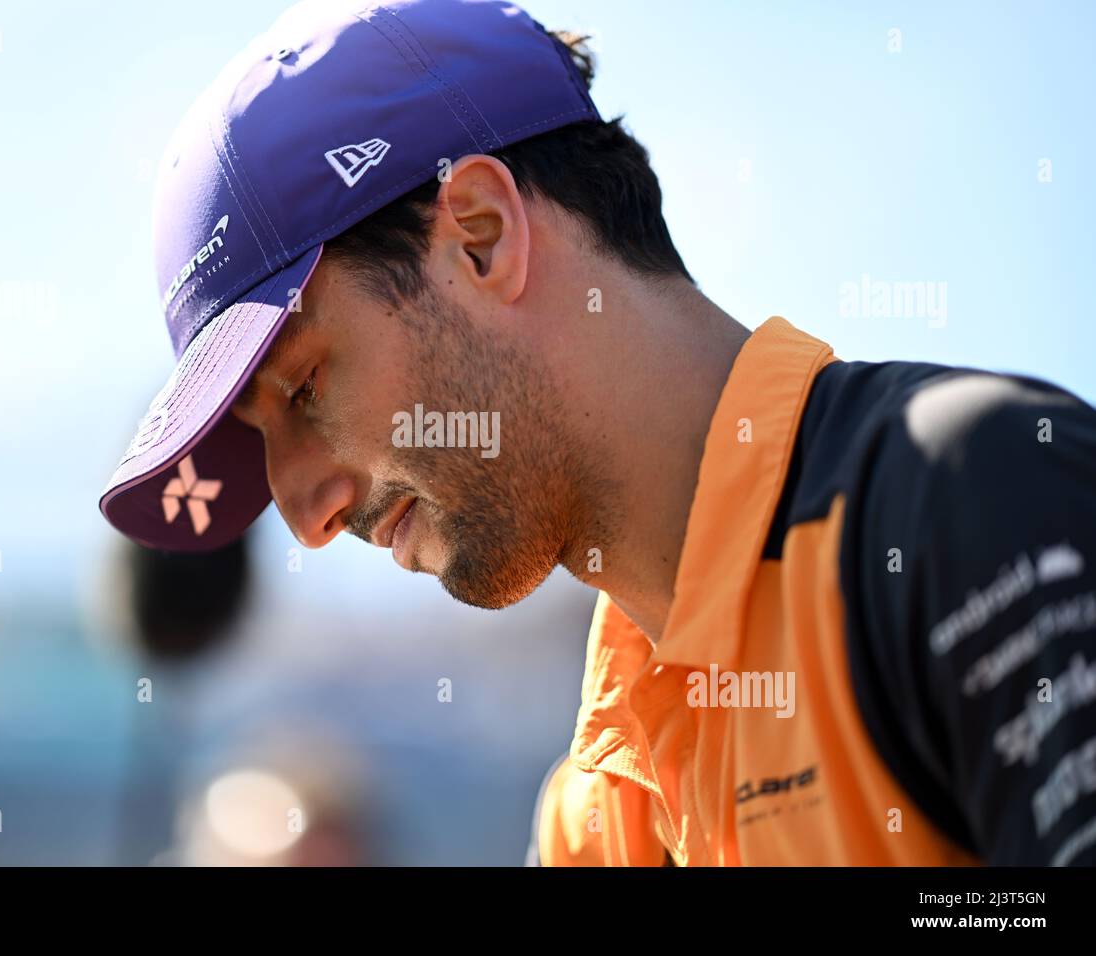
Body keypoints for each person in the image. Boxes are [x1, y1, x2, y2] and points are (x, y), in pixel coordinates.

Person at [99, 0, 1096, 865]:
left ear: (481, 235)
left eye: (307, 388)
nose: (306, 517)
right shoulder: (590, 814)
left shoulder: (973, 501)